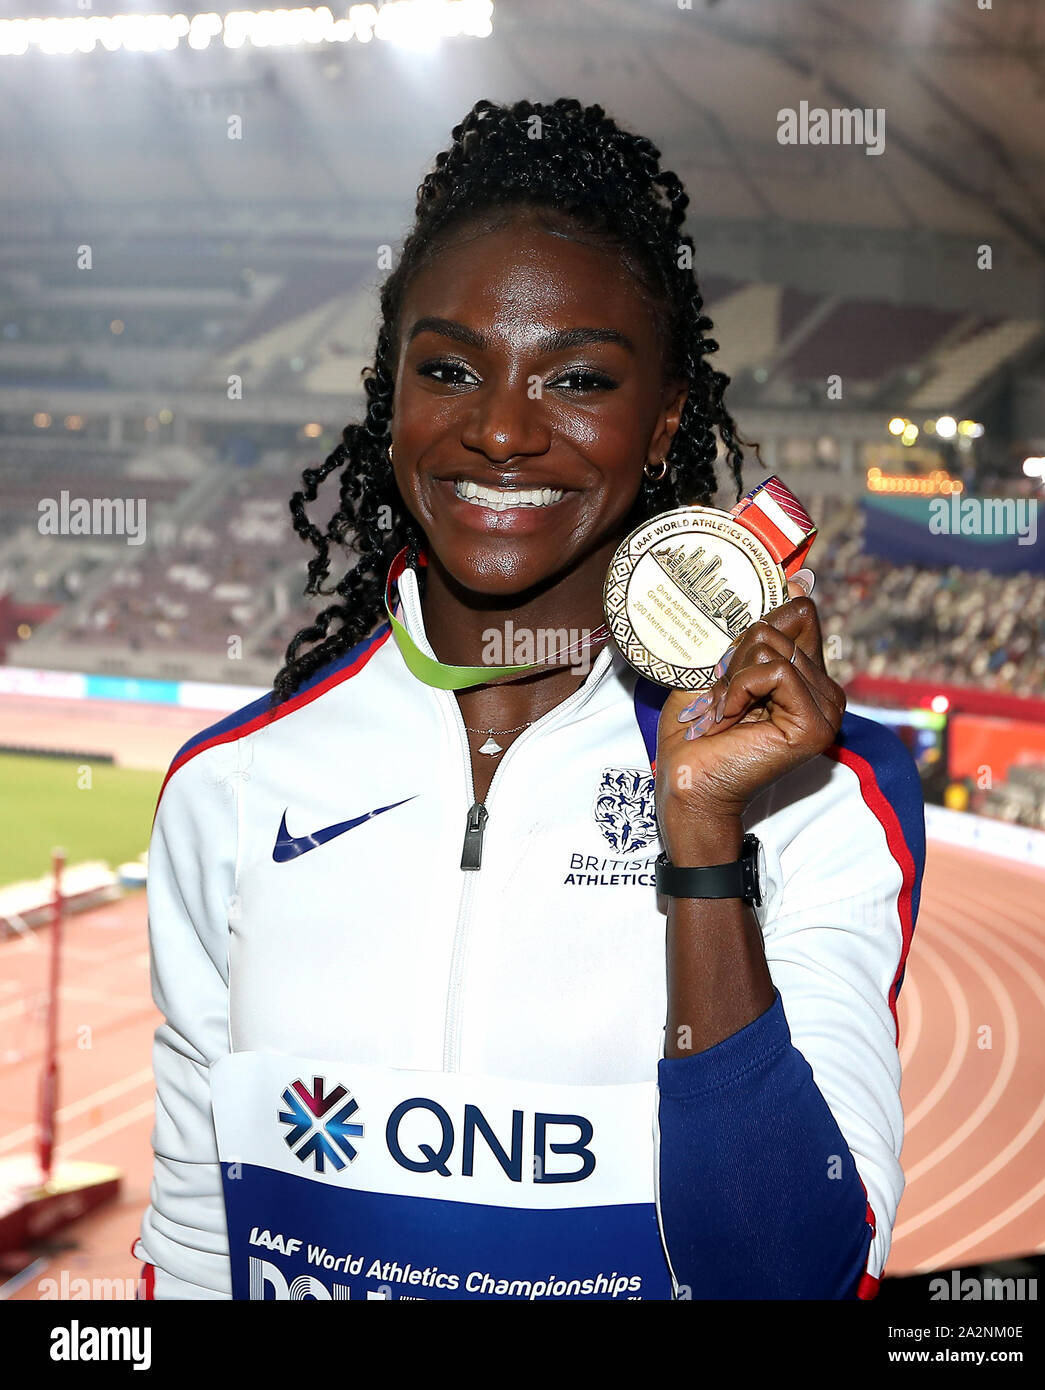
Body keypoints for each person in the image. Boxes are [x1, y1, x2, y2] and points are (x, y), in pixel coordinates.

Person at [133, 97, 924, 1301]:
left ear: (663, 422)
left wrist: (703, 842)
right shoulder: (229, 790)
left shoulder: (816, 798)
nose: (499, 428)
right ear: (386, 392)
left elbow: (791, 1276)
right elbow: (194, 1250)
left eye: (577, 379)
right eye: (446, 367)